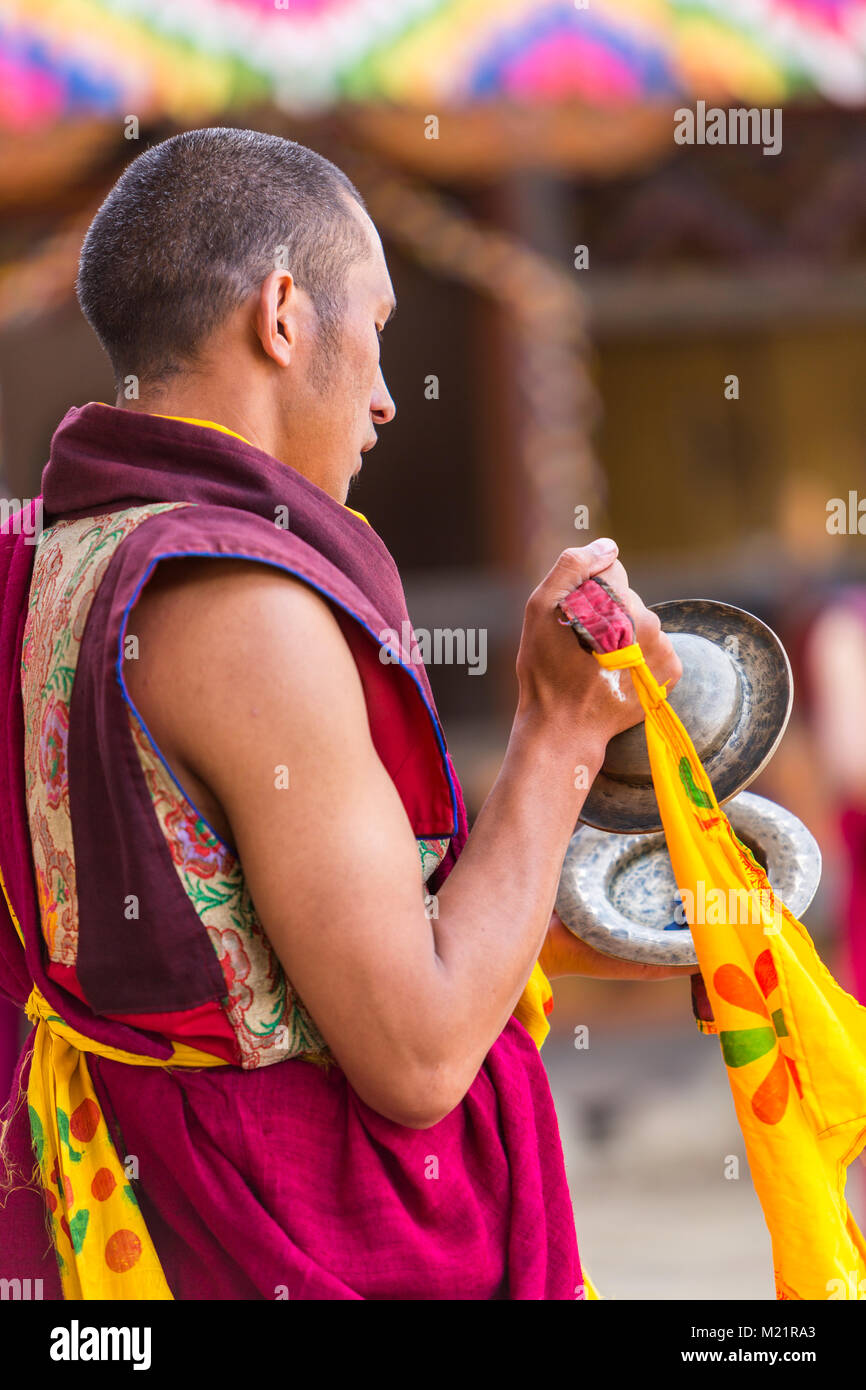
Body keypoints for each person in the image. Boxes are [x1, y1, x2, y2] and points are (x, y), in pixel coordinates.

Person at [0, 127, 685, 1300]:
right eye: (371, 329)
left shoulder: (61, 556)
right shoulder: (237, 606)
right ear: (282, 315)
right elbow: (414, 1052)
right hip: (282, 1220)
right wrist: (559, 733)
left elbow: (244, 947)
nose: (380, 400)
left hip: (143, 1204)